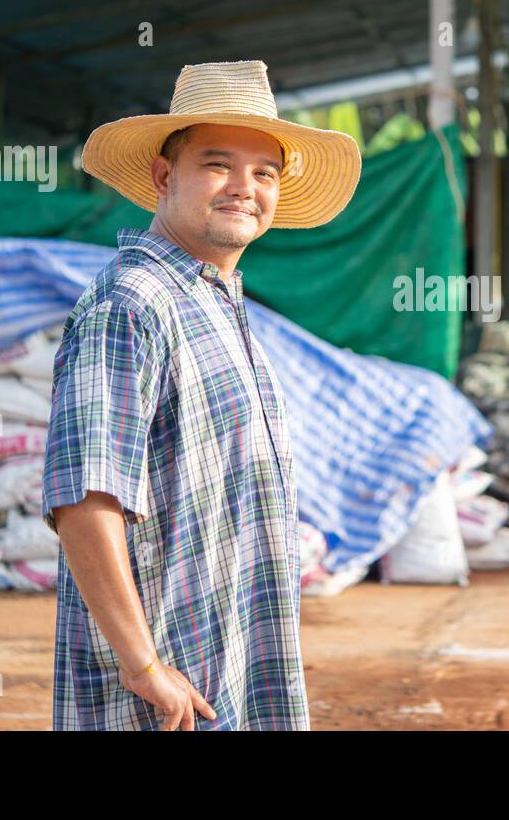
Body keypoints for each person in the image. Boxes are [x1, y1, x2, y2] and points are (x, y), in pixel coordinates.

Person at [40, 60, 361, 730]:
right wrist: (144, 664)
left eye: (265, 173)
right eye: (219, 165)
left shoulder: (216, 302)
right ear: (164, 176)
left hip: (230, 672)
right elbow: (84, 497)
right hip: (162, 699)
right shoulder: (132, 304)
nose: (245, 188)